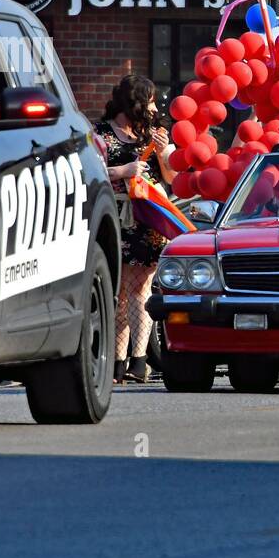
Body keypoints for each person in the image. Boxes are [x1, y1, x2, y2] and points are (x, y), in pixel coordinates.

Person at [95, 74, 176, 384]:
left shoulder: (151, 135)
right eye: (151, 100)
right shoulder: (100, 133)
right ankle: (116, 361)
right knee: (118, 292)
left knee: (140, 289)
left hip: (145, 218)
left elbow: (170, 178)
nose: (155, 107)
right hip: (112, 216)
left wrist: (162, 152)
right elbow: (87, 170)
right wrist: (122, 170)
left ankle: (139, 361)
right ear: (135, 103)